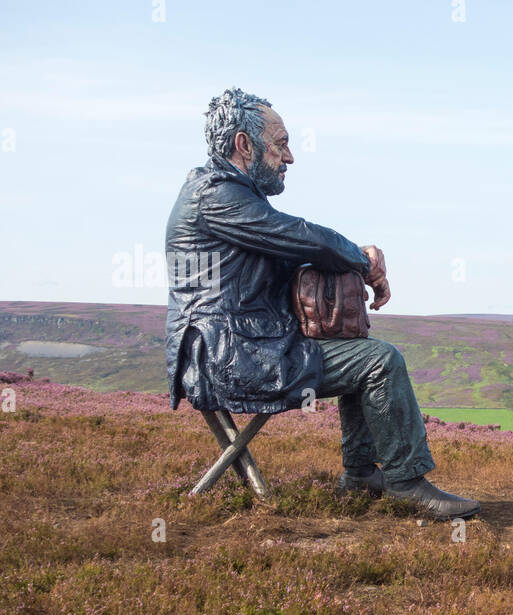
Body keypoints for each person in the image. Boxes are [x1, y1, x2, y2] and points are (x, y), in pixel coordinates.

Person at [165, 88, 478, 520]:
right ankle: (405, 482)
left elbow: (294, 245)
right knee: (380, 361)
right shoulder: (215, 196)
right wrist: (362, 259)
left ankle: (362, 476)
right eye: (280, 144)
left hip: (241, 347)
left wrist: (356, 258)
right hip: (230, 358)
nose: (289, 157)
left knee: (356, 347)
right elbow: (299, 236)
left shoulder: (225, 196)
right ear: (243, 145)